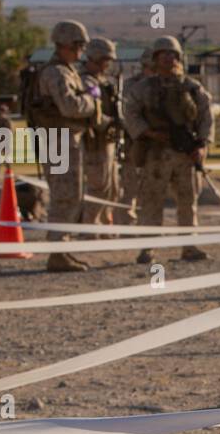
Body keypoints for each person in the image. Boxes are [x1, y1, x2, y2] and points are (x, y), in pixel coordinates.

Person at [123, 35, 214, 263]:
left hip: (185, 155)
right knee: (151, 202)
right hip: (156, 154)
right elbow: (130, 113)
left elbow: (206, 117)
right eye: (163, 55)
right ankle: (149, 248)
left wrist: (202, 145)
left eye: (172, 54)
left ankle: (189, 246)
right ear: (155, 59)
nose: (168, 59)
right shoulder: (143, 88)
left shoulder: (192, 88)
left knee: (187, 201)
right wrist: (148, 132)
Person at [27, 20, 101, 272]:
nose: (81, 52)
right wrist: (92, 102)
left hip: (64, 139)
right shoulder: (55, 73)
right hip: (57, 140)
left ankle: (63, 249)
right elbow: (69, 106)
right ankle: (56, 252)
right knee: (63, 195)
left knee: (72, 195)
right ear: (66, 45)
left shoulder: (66, 71)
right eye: (78, 46)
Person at [78, 37, 120, 227]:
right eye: (105, 60)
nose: (108, 64)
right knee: (98, 187)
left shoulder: (101, 81)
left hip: (107, 141)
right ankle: (90, 226)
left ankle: (103, 223)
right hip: (93, 142)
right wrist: (112, 122)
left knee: (111, 188)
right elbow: (91, 113)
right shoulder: (87, 82)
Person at [115, 48, 153, 226]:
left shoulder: (163, 85)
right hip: (133, 144)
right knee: (129, 187)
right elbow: (125, 115)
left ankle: (147, 224)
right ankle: (126, 223)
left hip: (156, 146)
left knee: (151, 188)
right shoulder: (131, 86)